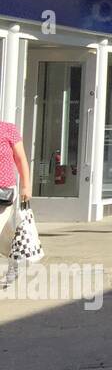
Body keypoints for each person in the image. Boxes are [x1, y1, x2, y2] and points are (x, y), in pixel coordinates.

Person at [0, 120, 33, 289]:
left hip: (4, 191)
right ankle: (15, 262)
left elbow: (21, 159)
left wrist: (26, 185)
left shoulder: (8, 129)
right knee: (5, 234)